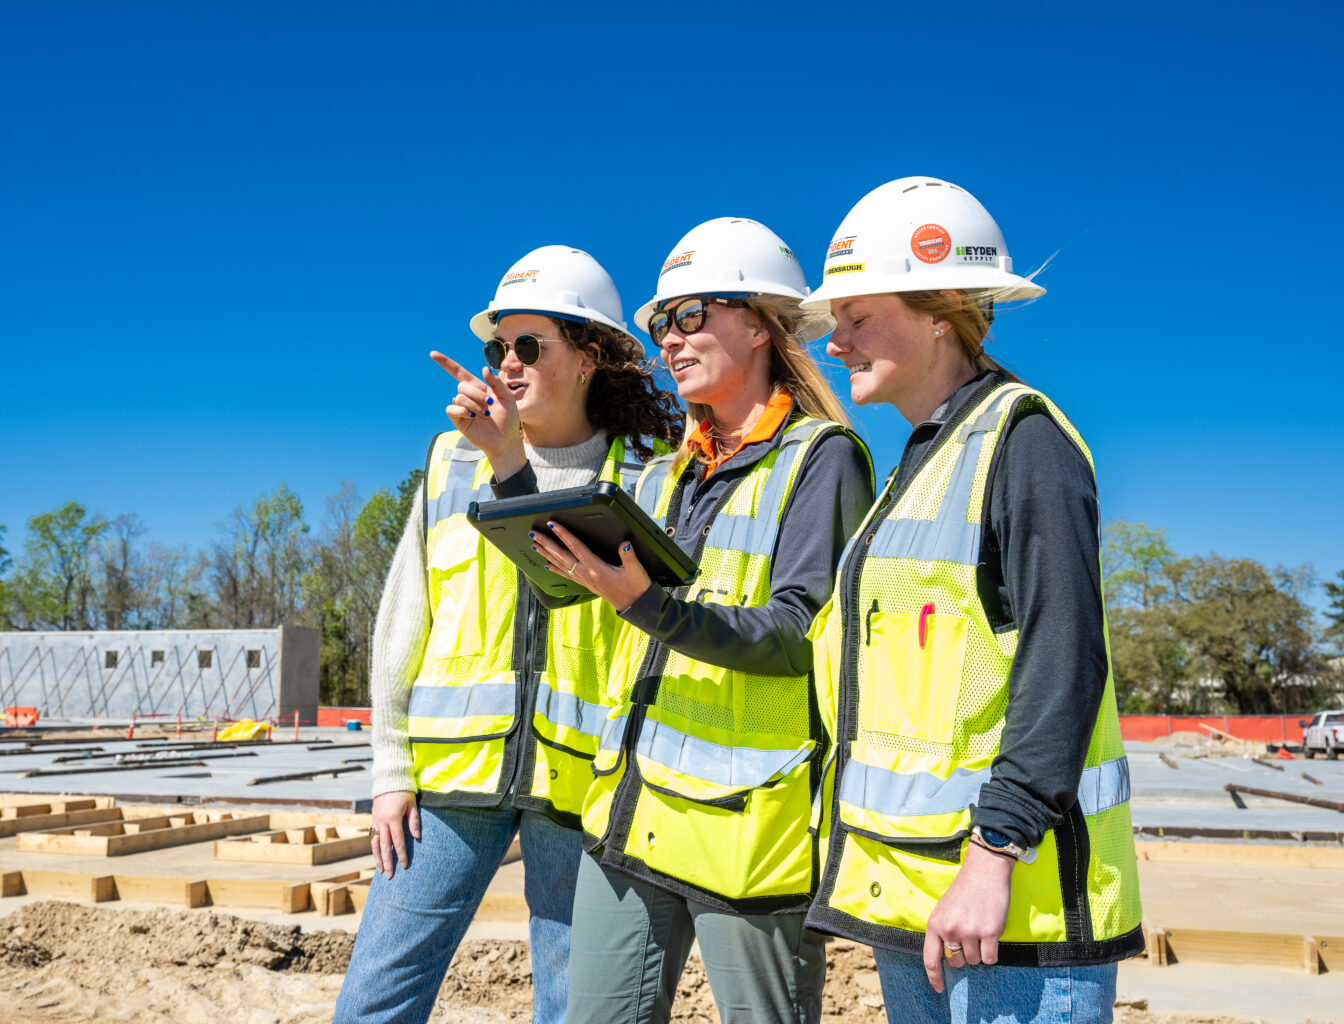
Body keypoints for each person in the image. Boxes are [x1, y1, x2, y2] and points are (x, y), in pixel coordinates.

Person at [485, 218, 875, 1023]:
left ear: (761, 324)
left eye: (691, 315)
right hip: (630, 818)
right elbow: (569, 592)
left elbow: (800, 633)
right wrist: (510, 472)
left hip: (746, 839)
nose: (669, 337)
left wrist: (648, 605)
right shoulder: (667, 471)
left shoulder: (821, 457)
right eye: (662, 323)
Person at [801, 177, 1144, 1023]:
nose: (835, 342)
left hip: (1006, 914)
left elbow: (1062, 659)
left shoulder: (1023, 441)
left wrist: (994, 853)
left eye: (857, 315)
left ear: (942, 304)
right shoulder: (919, 461)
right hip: (919, 896)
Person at [331, 245, 682, 1024]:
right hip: (450, 783)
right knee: (373, 1002)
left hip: (579, 791)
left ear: (591, 356)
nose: (506, 364)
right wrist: (390, 767)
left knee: (571, 1004)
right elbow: (404, 615)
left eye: (530, 346)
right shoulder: (451, 462)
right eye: (498, 348)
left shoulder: (647, 475)